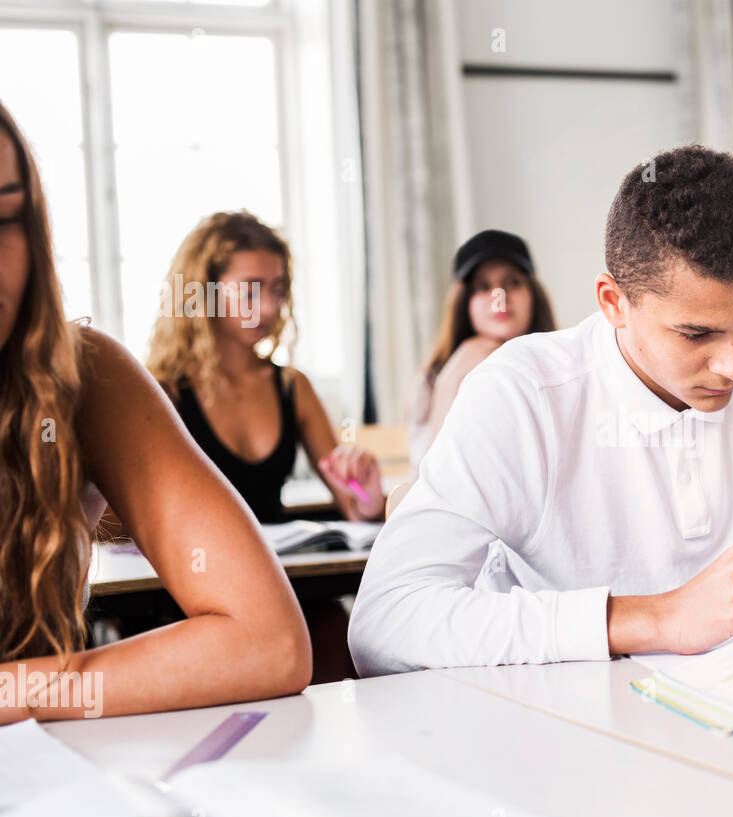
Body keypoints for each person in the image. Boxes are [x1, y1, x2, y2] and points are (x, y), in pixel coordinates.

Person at [350, 144, 733, 673]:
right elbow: (384, 623)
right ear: (614, 301)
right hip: (558, 739)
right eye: (696, 334)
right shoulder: (521, 393)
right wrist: (658, 618)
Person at [0, 101, 311, 722]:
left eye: (6, 216)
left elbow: (271, 644)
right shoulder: (172, 383)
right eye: (249, 290)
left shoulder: (84, 374)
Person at [146, 210, 385, 525]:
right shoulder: (163, 392)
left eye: (277, 289)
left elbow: (355, 509)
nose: (269, 306)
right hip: (194, 571)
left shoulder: (293, 386)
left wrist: (369, 496)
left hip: (279, 570)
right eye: (250, 290)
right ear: (205, 291)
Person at [406, 229, 556, 470]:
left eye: (512, 282)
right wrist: (453, 379)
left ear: (533, 295)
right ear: (464, 302)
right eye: (483, 287)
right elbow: (427, 483)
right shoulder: (432, 380)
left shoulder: (562, 370)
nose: (499, 296)